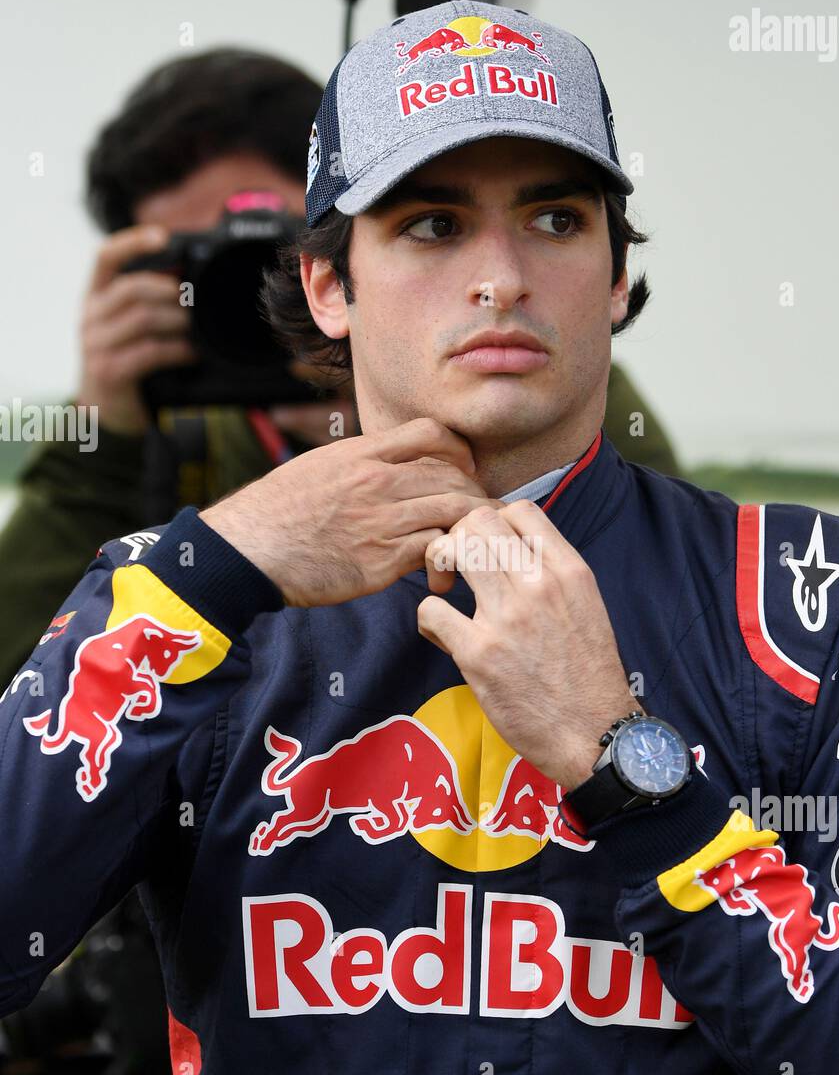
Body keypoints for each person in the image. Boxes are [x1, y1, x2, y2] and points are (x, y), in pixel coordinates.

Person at [2, 0, 839, 1075]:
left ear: (617, 276)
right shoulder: (186, 594)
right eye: (432, 224)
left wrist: (631, 775)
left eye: (556, 218)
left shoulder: (811, 596)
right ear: (326, 281)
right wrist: (214, 572)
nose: (501, 278)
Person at [0, 50, 679, 690]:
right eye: (207, 265)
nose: (267, 290)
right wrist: (100, 437)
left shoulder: (505, 361)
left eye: (274, 242)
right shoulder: (165, 422)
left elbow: (662, 583)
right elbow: (28, 688)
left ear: (336, 243)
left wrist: (396, 394)